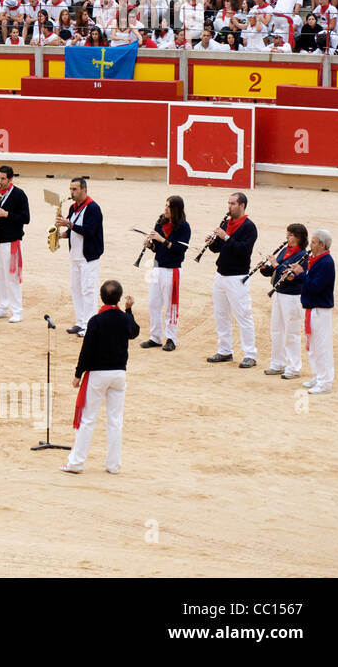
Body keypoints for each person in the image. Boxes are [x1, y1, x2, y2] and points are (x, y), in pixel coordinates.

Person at [61, 280, 139, 475]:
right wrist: (129, 310)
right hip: (119, 374)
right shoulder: (124, 319)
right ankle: (113, 465)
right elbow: (134, 332)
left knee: (88, 419)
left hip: (97, 374)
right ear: (119, 299)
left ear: (101, 297)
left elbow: (87, 350)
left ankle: (77, 462)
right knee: (115, 420)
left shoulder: (96, 320)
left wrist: (78, 374)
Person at [205, 192, 258, 367]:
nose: (229, 207)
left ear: (242, 205)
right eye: (228, 203)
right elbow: (219, 249)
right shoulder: (227, 223)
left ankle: (250, 354)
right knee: (221, 314)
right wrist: (213, 242)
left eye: (233, 204)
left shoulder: (249, 227)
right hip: (221, 275)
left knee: (243, 315)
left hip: (238, 277)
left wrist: (225, 237)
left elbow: (243, 250)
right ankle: (225, 350)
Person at [140, 196, 191, 351]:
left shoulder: (184, 227)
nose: (165, 209)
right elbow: (157, 247)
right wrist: (150, 244)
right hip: (157, 267)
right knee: (153, 303)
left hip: (172, 269)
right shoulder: (161, 222)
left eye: (169, 206)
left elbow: (180, 250)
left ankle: (171, 338)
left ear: (176, 209)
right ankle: (155, 337)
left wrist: (162, 240)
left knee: (171, 305)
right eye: (165, 205)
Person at [260, 224, 309, 379]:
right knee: (276, 330)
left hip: (293, 298)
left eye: (290, 235)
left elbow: (290, 276)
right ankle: (278, 363)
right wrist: (265, 268)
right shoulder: (285, 250)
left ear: (299, 238)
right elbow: (275, 271)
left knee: (292, 332)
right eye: (287, 234)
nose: (287, 237)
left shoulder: (302, 256)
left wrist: (275, 264)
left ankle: (294, 367)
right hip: (279, 294)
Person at [56, 177, 104, 336]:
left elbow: (89, 231)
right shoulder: (73, 207)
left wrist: (68, 224)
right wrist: (64, 234)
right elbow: (74, 229)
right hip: (75, 255)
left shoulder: (93, 208)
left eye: (75, 189)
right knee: (76, 289)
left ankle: (89, 325)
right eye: (71, 189)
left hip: (88, 257)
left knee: (88, 290)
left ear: (84, 190)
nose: (72, 192)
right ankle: (80, 321)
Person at [0, 164, 29, 323]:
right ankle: (2, 307)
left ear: (10, 179)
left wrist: (7, 214)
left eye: (3, 178)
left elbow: (26, 218)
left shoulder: (19, 194)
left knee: (12, 277)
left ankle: (17, 311)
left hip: (12, 242)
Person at [295, 229, 335, 394]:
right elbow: (309, 282)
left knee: (322, 346)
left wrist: (301, 274)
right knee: (312, 346)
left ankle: (325, 383)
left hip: (320, 310)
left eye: (313, 242)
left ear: (322, 244)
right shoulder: (316, 259)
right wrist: (297, 276)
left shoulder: (326, 262)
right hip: (312, 308)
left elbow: (316, 286)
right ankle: (318, 376)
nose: (310, 245)